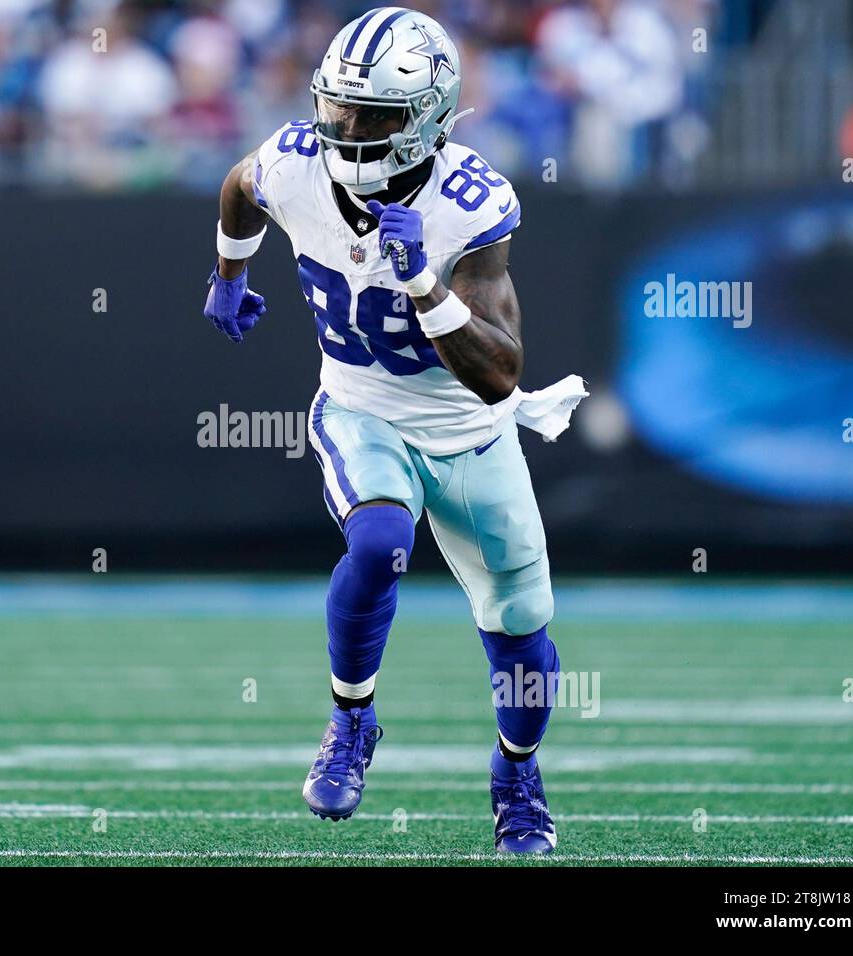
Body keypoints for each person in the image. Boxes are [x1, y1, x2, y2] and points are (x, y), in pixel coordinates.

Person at [202, 7, 587, 854]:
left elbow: (499, 372)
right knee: (377, 542)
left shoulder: (470, 204)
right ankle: (352, 720)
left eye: (369, 116)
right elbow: (239, 186)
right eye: (337, 108)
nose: (344, 130)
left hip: (472, 431)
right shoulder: (296, 164)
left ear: (427, 118)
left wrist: (425, 286)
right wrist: (229, 273)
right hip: (361, 407)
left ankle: (517, 774)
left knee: (520, 629)